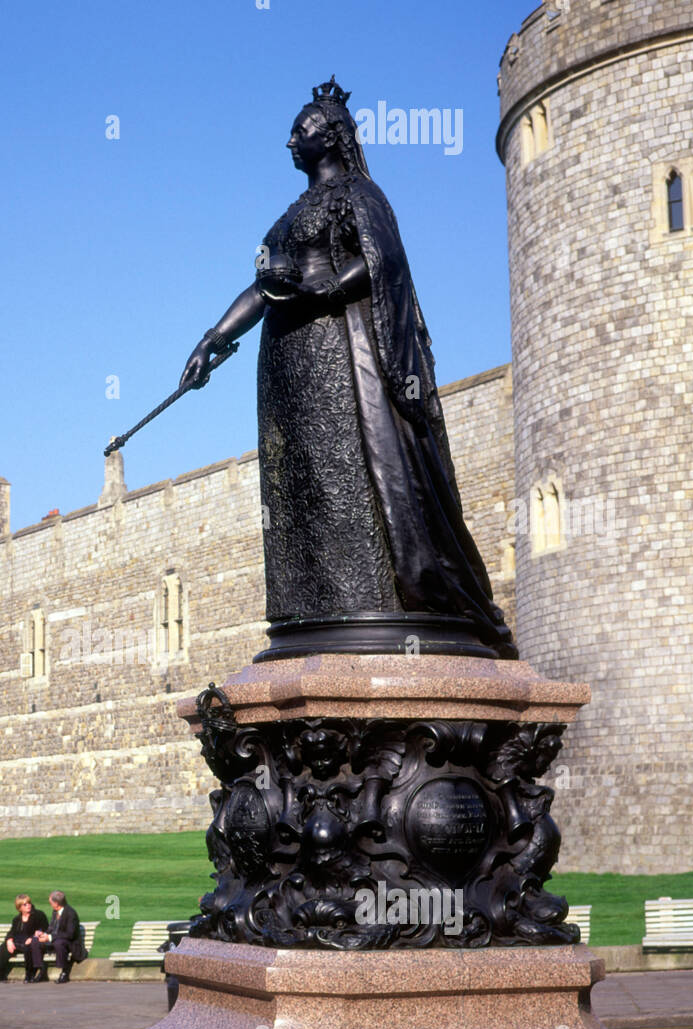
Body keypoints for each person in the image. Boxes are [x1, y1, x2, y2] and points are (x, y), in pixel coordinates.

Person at [179, 79, 514, 662]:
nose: (289, 140)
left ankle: (375, 600)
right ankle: (316, 604)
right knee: (304, 485)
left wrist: (327, 286)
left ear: (329, 137)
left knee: (350, 476)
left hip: (340, 353)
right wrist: (212, 339)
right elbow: (263, 289)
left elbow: (384, 259)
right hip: (288, 371)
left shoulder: (360, 195)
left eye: (301, 130)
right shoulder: (287, 217)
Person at [0, 894, 46, 982]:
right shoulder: (16, 919)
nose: (28, 905)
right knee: (3, 947)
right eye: (25, 904)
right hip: (19, 943)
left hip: (32, 943)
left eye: (29, 903)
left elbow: (44, 929)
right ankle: (1, 974)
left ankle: (29, 975)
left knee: (28, 948)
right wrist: (9, 941)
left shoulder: (39, 915)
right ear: (19, 907)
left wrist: (33, 938)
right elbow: (11, 932)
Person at [38, 890, 82, 984]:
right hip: (56, 940)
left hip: (70, 943)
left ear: (56, 903)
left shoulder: (70, 913)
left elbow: (70, 934)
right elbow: (51, 928)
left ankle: (64, 973)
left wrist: (50, 937)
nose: (50, 905)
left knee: (59, 943)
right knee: (36, 942)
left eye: (51, 903)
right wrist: (44, 934)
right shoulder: (55, 911)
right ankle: (41, 971)